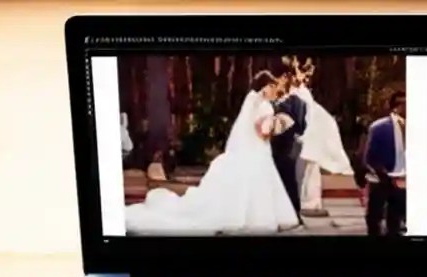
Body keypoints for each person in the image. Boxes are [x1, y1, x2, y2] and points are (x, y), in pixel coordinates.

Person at [123, 71, 298, 235]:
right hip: (258, 151)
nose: (274, 91)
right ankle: (253, 218)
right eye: (272, 87)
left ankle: (247, 216)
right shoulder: (264, 105)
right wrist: (277, 128)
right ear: (265, 87)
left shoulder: (254, 101)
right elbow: (262, 131)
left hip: (253, 151)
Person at [287, 58, 354, 216]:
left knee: (310, 171)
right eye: (302, 71)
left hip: (310, 135)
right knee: (301, 171)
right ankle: (302, 202)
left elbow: (313, 113)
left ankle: (311, 202)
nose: (305, 76)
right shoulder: (293, 92)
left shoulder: (302, 91)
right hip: (301, 136)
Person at [363, 90, 406, 236]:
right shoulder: (379, 127)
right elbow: (369, 156)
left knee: (395, 219)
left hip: (403, 179)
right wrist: (383, 174)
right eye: (403, 104)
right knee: (374, 216)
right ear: (397, 107)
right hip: (382, 177)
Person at [270, 70, 308, 217]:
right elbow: (302, 126)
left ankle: (289, 211)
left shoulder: (290, 103)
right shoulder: (299, 102)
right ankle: (291, 210)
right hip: (289, 143)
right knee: (289, 179)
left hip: (283, 144)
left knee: (286, 178)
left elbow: (295, 124)